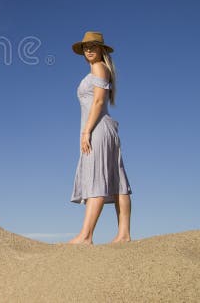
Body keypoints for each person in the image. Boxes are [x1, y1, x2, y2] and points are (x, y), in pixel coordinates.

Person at [67, 31, 132, 244]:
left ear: (101, 49)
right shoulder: (101, 70)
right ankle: (123, 235)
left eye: (93, 46)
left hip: (97, 129)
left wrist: (86, 132)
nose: (88, 50)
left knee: (96, 178)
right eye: (86, 47)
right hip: (102, 128)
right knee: (116, 179)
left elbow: (97, 102)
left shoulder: (98, 67)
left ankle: (86, 236)